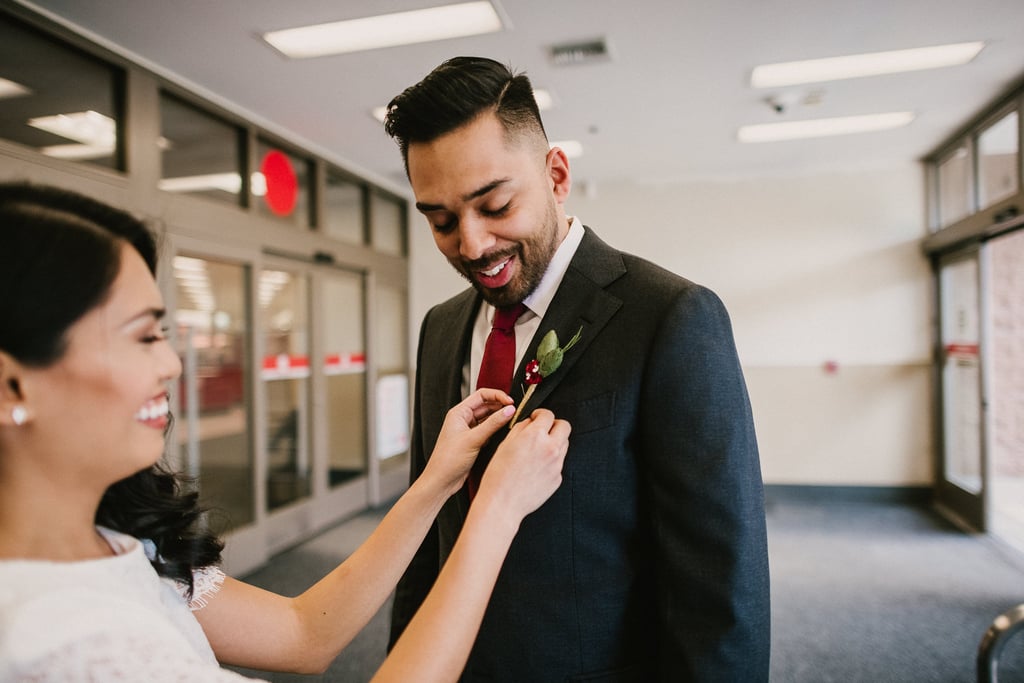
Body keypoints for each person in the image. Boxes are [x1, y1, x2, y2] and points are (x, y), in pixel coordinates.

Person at [0, 181, 570, 682]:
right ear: (13, 387)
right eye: (142, 337)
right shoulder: (56, 636)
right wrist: (496, 511)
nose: (172, 365)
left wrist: (438, 480)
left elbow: (304, 635)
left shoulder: (116, 544)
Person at [384, 56, 771, 681]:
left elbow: (720, 585)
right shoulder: (440, 328)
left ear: (556, 174)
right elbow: (429, 538)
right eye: (442, 220)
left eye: (496, 204)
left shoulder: (671, 317)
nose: (473, 245)